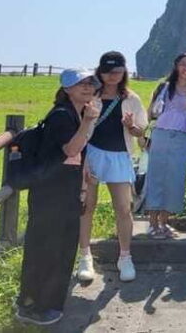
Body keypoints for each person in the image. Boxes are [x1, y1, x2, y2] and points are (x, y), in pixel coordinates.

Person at [15, 69, 100, 326]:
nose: (86, 88)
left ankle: (49, 303)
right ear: (67, 89)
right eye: (80, 84)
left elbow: (79, 156)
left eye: (90, 83)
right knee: (46, 249)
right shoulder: (62, 116)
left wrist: (83, 187)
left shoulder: (74, 113)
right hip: (51, 192)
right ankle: (33, 306)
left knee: (61, 246)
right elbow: (71, 149)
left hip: (65, 190)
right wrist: (87, 122)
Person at [77, 52, 148, 284]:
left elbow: (140, 132)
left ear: (123, 72)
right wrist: (83, 157)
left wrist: (131, 126)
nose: (112, 76)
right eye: (107, 71)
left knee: (123, 208)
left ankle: (125, 256)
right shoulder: (89, 96)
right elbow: (78, 127)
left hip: (119, 156)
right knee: (87, 206)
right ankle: (85, 256)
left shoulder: (132, 98)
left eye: (117, 71)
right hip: (92, 153)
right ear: (100, 71)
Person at [143, 53, 186, 239]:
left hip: (183, 137)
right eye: (183, 64)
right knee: (156, 176)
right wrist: (143, 136)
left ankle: (164, 222)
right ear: (176, 66)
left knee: (176, 178)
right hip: (160, 134)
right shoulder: (164, 86)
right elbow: (150, 112)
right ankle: (152, 224)